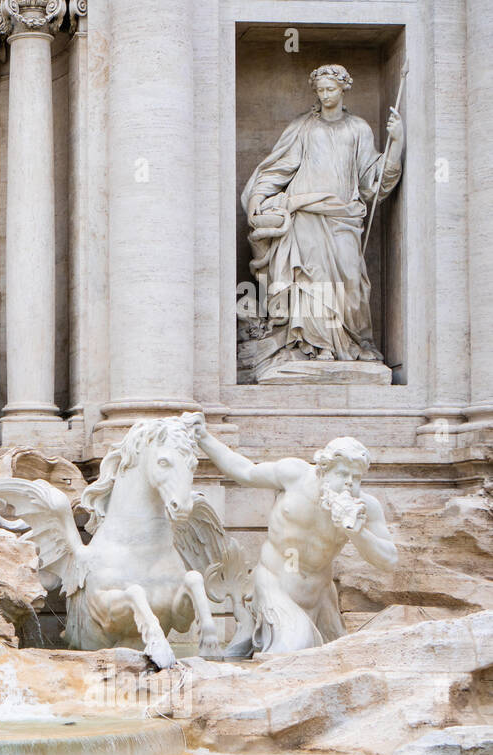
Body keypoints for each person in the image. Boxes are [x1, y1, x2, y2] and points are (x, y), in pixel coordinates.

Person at [241, 64, 403, 378]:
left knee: (350, 280)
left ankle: (352, 343)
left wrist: (396, 144)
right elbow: (279, 169)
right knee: (310, 281)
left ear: (344, 89)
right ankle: (315, 345)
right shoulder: (304, 127)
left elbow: (373, 180)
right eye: (320, 90)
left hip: (343, 215)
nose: (325, 95)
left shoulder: (358, 129)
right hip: (306, 214)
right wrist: (259, 197)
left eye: (331, 89)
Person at [189, 415, 397, 655]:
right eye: (342, 474)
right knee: (293, 652)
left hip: (320, 596)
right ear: (323, 470)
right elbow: (245, 472)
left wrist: (358, 534)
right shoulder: (294, 475)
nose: (350, 484)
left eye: (357, 477)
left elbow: (389, 560)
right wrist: (204, 438)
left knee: (336, 659)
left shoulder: (365, 508)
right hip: (274, 585)